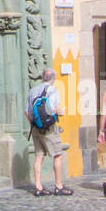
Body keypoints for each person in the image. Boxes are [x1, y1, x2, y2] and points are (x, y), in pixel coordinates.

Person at [26, 68, 72, 196]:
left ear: (42, 77)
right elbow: (52, 109)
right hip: (49, 128)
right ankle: (58, 186)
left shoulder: (32, 91)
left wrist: (34, 122)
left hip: (35, 127)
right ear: (53, 78)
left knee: (39, 156)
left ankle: (38, 187)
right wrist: (60, 112)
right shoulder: (52, 90)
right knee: (58, 154)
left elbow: (27, 112)